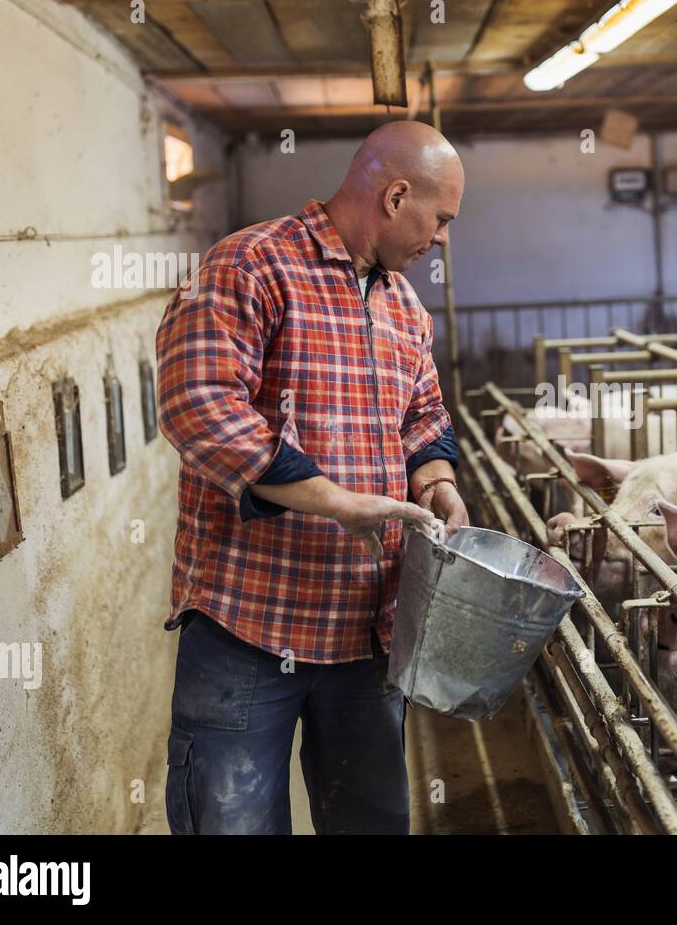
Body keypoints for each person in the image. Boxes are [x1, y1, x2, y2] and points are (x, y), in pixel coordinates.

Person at [154, 120, 469, 834]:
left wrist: (439, 487)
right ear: (395, 196)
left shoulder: (403, 306)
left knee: (370, 822)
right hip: (248, 628)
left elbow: (424, 418)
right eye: (441, 218)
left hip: (367, 634)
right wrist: (335, 503)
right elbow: (196, 402)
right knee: (230, 820)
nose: (443, 238)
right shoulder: (247, 266)